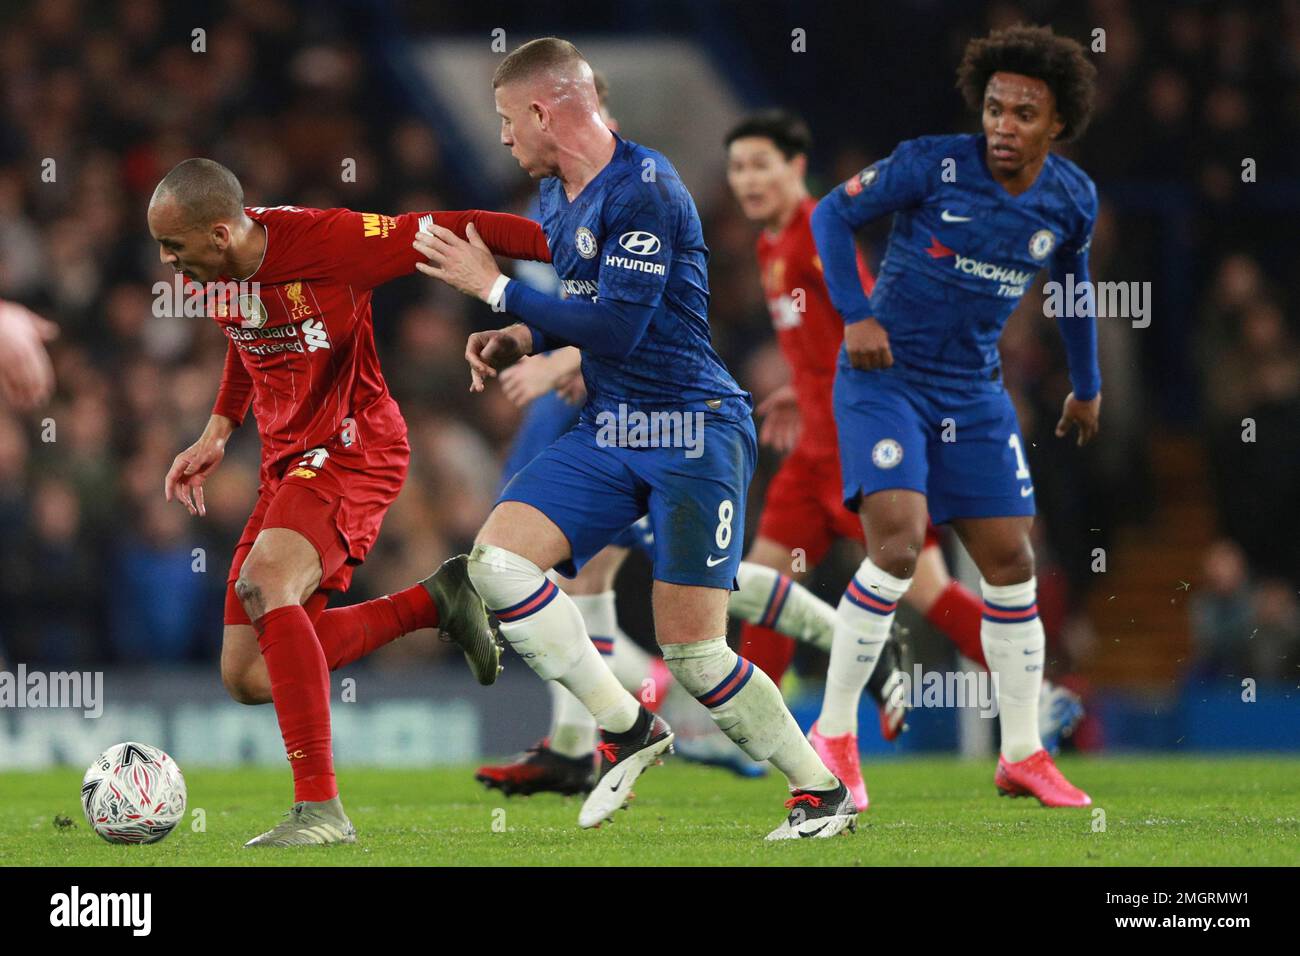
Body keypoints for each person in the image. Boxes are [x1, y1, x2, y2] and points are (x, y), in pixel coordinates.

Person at [414, 37, 855, 838]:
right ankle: (629, 726)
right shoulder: (557, 198)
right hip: (613, 430)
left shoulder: (647, 187)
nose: (505, 138)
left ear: (546, 111)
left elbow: (617, 326)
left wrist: (495, 286)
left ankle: (819, 791)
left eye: (510, 121)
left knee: (697, 654)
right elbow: (582, 314)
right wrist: (520, 335)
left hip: (694, 429)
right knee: (497, 566)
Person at [149, 160, 551, 844]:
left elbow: (453, 227)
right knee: (247, 675)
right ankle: (434, 602)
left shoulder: (328, 242)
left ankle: (320, 810)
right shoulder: (216, 277)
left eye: (175, 247)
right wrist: (219, 429)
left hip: (353, 443)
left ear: (220, 233)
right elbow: (247, 344)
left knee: (265, 581)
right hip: (286, 464)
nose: (167, 261)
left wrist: (572, 249)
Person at [725, 108, 1085, 808]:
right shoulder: (770, 246)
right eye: (737, 167)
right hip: (813, 453)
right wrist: (801, 394)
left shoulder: (809, 237)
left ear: (796, 169)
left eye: (760, 164)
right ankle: (757, 739)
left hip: (867, 437)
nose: (746, 180)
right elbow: (824, 344)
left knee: (917, 586)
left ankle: (1041, 698)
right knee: (763, 581)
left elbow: (867, 322)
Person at [809, 24, 1100, 808]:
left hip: (973, 390)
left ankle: (1023, 754)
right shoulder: (931, 163)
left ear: (1057, 124)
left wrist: (1088, 382)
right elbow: (831, 217)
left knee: (1012, 562)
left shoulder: (1071, 199)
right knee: (899, 546)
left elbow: (1073, 288)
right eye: (996, 108)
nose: (1003, 126)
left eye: (1023, 114)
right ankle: (833, 738)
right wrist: (855, 313)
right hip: (885, 377)